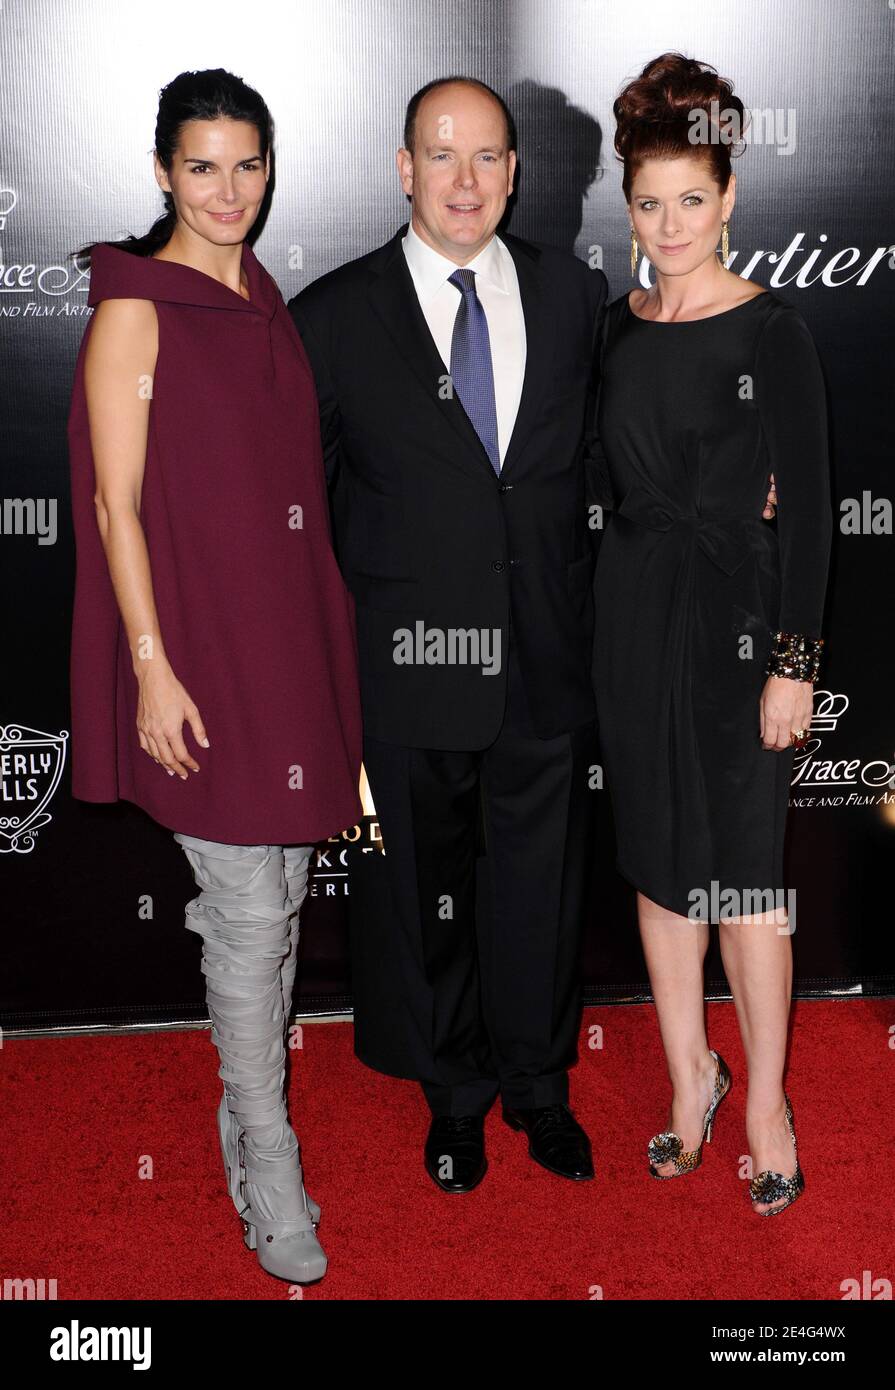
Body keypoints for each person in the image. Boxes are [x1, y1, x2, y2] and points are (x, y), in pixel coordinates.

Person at [67, 68, 363, 1281]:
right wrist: (153, 670)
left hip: (284, 646)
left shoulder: (263, 298)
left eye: (247, 165)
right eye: (201, 167)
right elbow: (114, 506)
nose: (227, 190)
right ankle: (268, 1150)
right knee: (250, 912)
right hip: (195, 653)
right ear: (162, 172)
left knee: (277, 894)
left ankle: (245, 1116)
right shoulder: (136, 309)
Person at [289, 77, 608, 1191]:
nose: (464, 181)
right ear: (403, 168)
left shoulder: (575, 296)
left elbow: (610, 464)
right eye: (440, 154)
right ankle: (456, 1096)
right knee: (424, 893)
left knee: (539, 888)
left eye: (485, 157)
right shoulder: (334, 316)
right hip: (407, 668)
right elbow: (299, 510)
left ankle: (538, 1087)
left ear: (514, 173)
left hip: (546, 655)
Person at [591, 53, 832, 1215]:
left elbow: (815, 511)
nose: (671, 224)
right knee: (657, 867)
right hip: (633, 621)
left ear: (729, 196)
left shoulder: (771, 329)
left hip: (739, 625)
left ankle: (766, 1104)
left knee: (745, 881)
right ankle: (691, 1078)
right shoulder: (613, 331)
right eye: (649, 202)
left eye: (692, 198)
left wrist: (794, 663)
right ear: (627, 206)